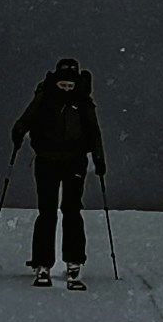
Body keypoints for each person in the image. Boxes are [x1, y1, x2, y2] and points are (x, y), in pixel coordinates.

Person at [10, 57, 106, 287]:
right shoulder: (44, 98)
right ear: (56, 82)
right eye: (62, 85)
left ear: (75, 84)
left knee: (72, 209)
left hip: (75, 162)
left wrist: (99, 159)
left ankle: (74, 262)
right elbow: (26, 119)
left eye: (69, 86)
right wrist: (18, 132)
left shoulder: (83, 102)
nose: (65, 89)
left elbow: (94, 132)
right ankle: (42, 264)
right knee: (47, 210)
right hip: (46, 160)